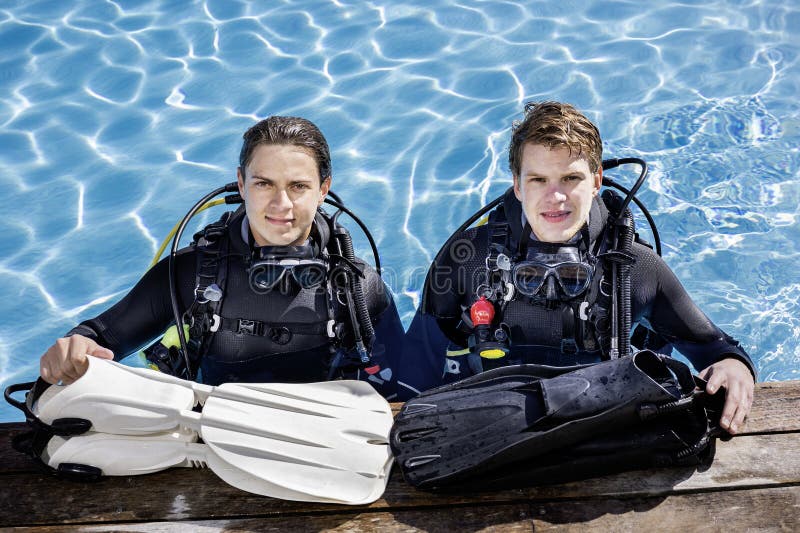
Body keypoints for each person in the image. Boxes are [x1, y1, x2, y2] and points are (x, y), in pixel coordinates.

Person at [401, 101, 755, 434]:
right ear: (518, 186)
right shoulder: (466, 258)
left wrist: (734, 366)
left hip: (596, 429)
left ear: (596, 181)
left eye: (570, 178)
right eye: (538, 179)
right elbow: (416, 367)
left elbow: (716, 348)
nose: (555, 197)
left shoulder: (635, 267)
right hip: (488, 428)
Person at [39, 116, 404, 399]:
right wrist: (75, 347)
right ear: (241, 184)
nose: (281, 205)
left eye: (298, 186)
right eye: (264, 184)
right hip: (210, 442)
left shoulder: (357, 286)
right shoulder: (192, 273)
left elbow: (404, 381)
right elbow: (101, 336)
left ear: (323, 189)